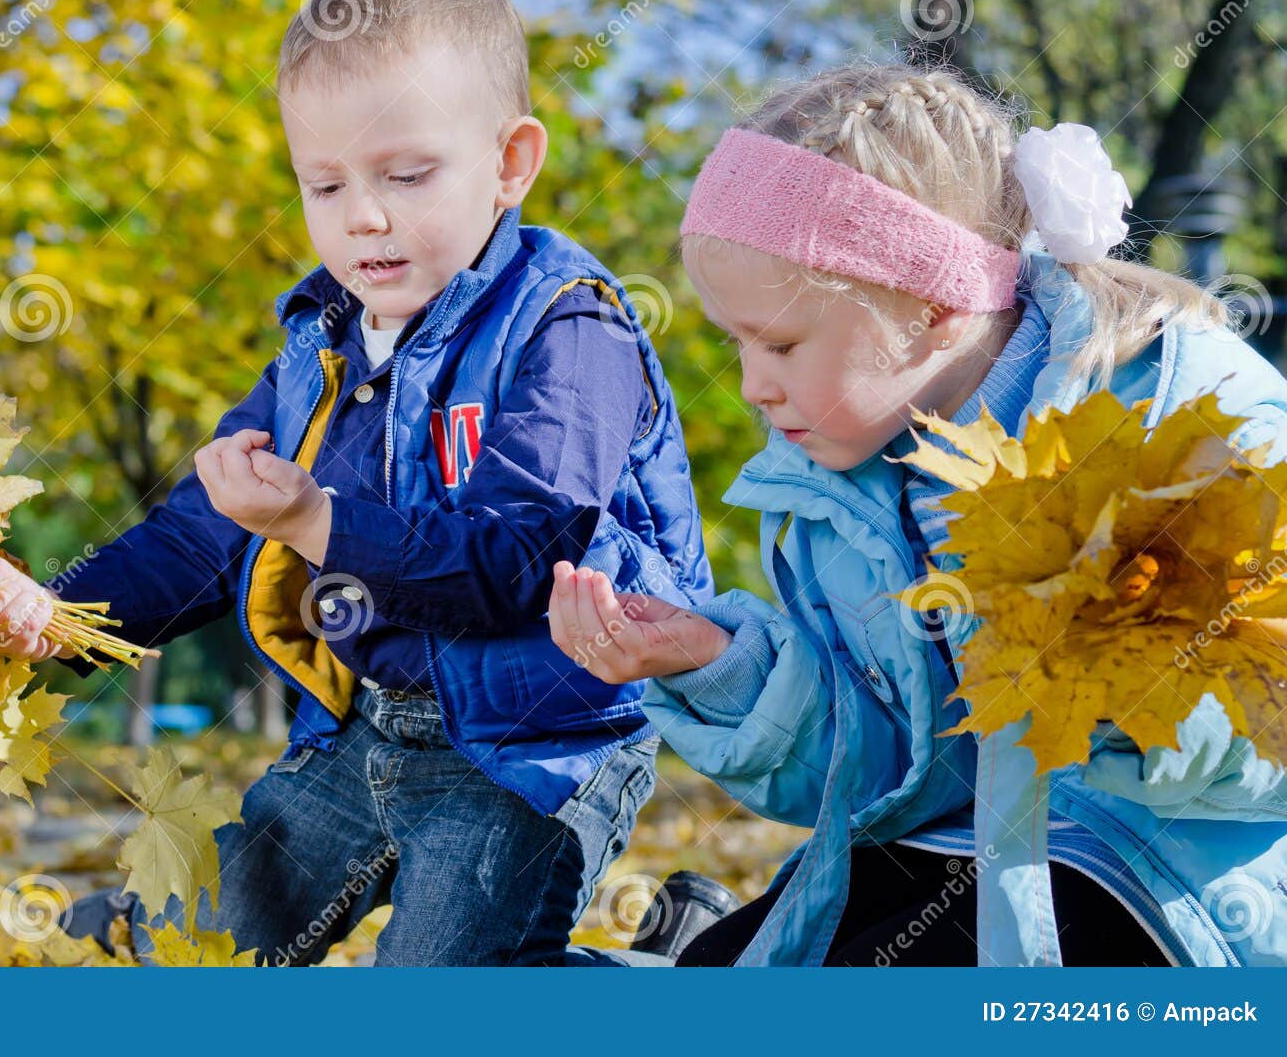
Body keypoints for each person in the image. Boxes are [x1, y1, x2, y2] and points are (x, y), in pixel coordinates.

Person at [0, 0, 716, 966]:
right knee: (210, 948)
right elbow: (206, 530)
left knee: (437, 986)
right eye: (323, 184)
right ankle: (127, 944)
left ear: (510, 164)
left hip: (528, 744)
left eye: (405, 175)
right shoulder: (323, 337)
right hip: (363, 723)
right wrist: (59, 614)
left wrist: (313, 521)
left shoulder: (565, 329)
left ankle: (693, 967)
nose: (361, 214)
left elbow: (515, 560)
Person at [550, 62, 1287, 966]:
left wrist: (1143, 702)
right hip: (967, 844)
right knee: (740, 968)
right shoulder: (854, 484)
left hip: (1171, 881)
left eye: (780, 343)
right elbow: (904, 772)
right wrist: (723, 667)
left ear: (933, 306)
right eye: (734, 342)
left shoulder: (1185, 411)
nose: (752, 386)